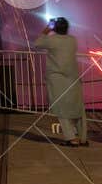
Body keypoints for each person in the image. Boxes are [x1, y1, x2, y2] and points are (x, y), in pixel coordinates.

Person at [32, 17, 87, 146]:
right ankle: (83, 138)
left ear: (55, 28)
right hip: (73, 78)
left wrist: (46, 29)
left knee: (61, 108)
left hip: (57, 79)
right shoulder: (73, 40)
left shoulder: (52, 40)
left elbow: (37, 43)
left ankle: (71, 138)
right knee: (78, 108)